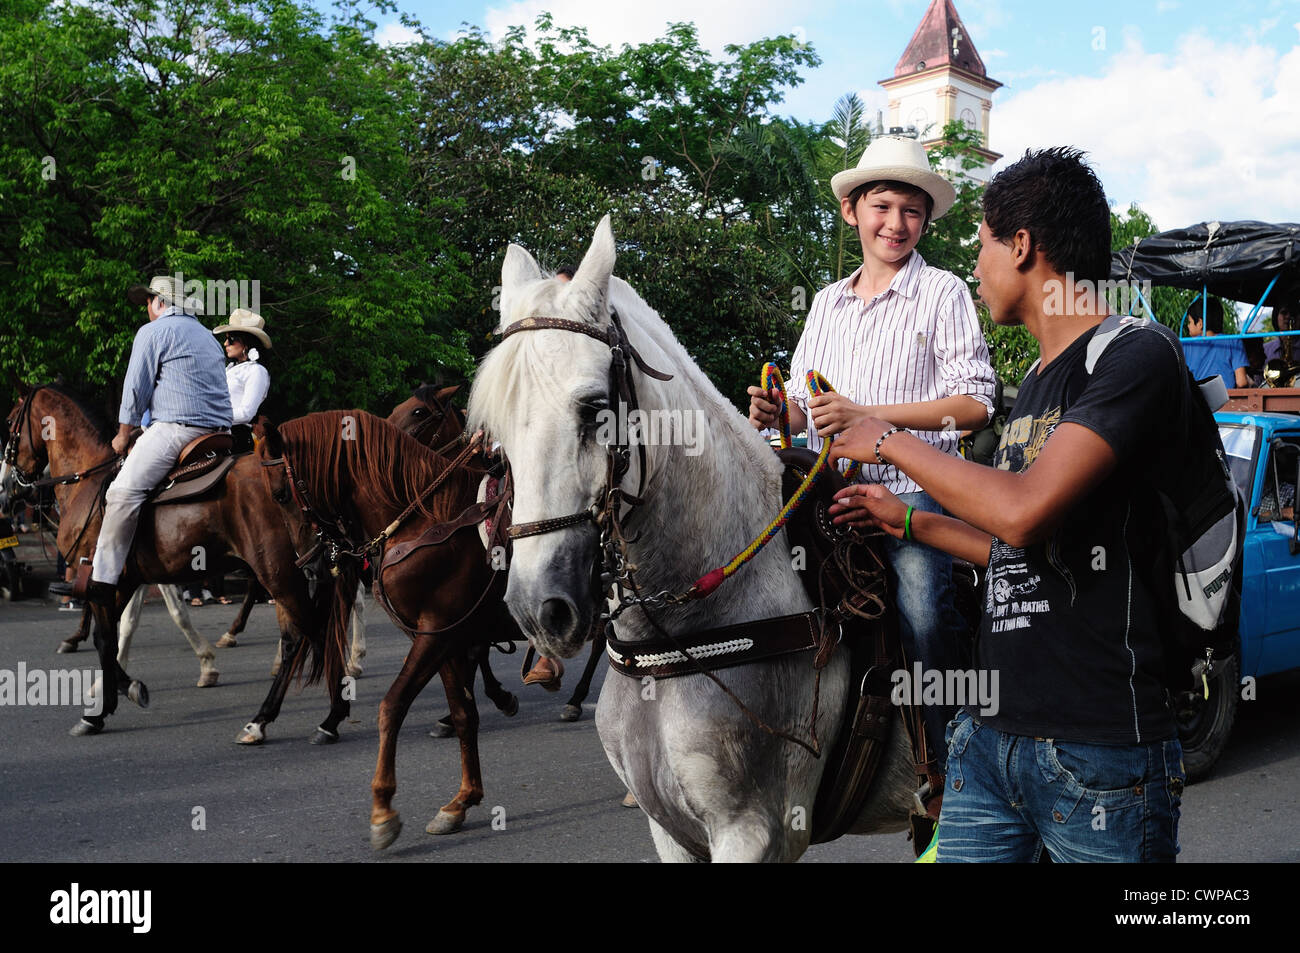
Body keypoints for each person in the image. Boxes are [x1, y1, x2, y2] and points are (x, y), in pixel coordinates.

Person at [827, 147, 1186, 862]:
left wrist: (888, 438)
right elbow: (1012, 549)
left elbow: (1022, 510)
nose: (976, 264)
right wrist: (906, 520)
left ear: (1021, 246)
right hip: (992, 741)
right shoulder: (1041, 382)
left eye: (982, 244)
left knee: (927, 608)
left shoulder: (1133, 354)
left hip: (1098, 753)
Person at [747, 135, 996, 788]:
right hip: (827, 490)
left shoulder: (942, 293)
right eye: (882, 206)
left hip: (913, 492)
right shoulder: (827, 302)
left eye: (911, 211)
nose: (896, 222)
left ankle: (952, 768)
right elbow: (807, 405)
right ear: (851, 211)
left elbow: (974, 404)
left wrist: (873, 418)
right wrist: (781, 414)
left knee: (925, 610)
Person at [86, 276, 233, 605]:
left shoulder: (153, 332)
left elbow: (136, 388)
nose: (146, 311)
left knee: (121, 493)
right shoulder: (209, 337)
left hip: (179, 431)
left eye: (148, 303)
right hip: (221, 434)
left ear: (161, 303)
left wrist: (124, 433)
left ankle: (103, 581)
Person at [212, 308, 272, 452]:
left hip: (235, 440)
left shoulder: (256, 371)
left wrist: (210, 415)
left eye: (231, 339)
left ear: (246, 343)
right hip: (215, 433)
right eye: (226, 339)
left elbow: (246, 413)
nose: (226, 343)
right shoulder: (229, 369)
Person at [1181, 297, 1249, 388]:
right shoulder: (1233, 341)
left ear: (1200, 323)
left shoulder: (1184, 345)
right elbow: (1241, 382)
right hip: (1226, 399)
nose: (1188, 326)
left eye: (1189, 322)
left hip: (1197, 400)